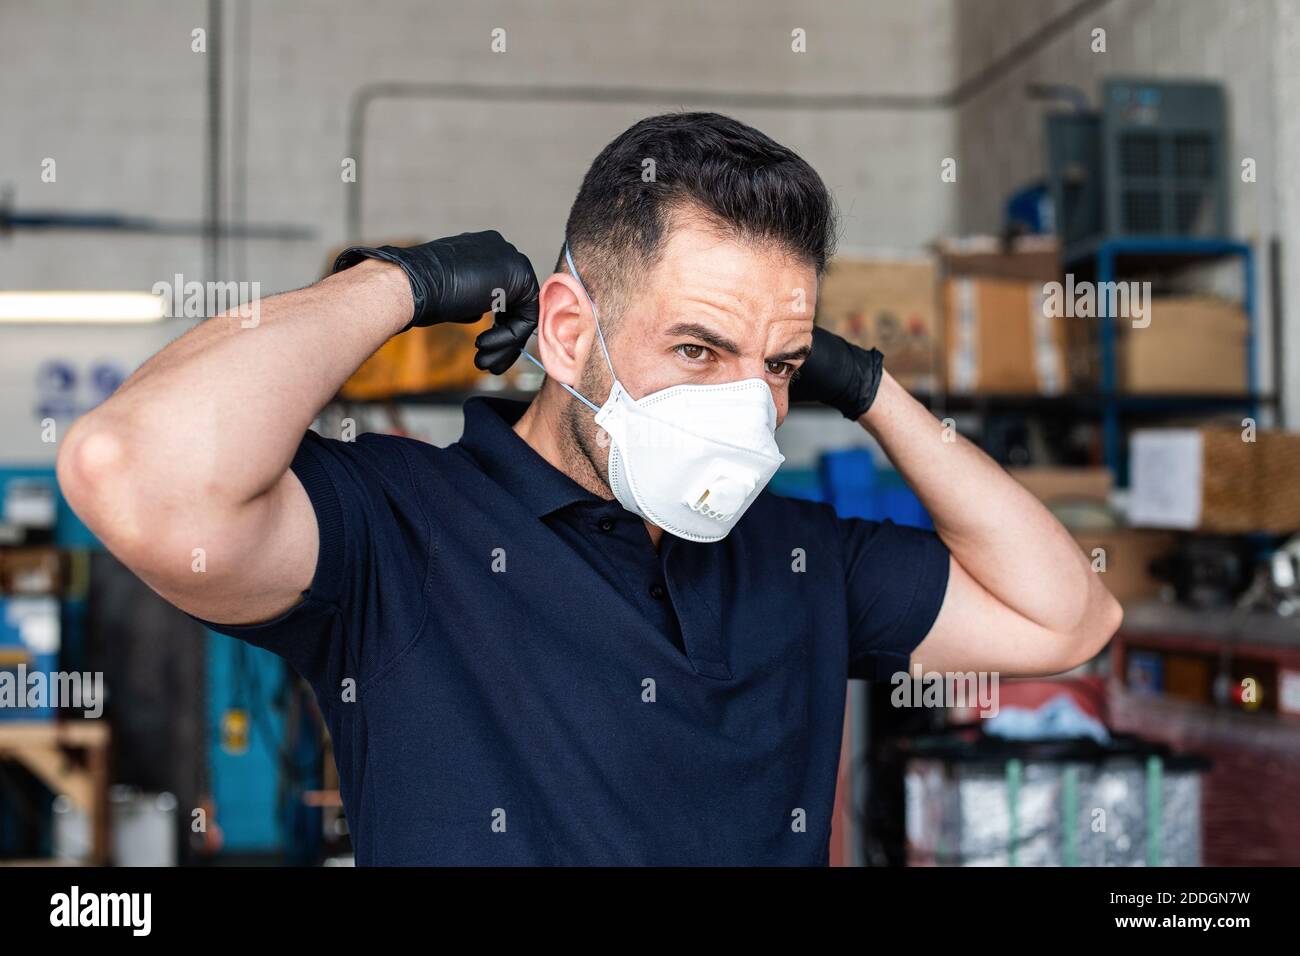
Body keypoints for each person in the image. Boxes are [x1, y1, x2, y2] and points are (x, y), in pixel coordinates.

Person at [58, 112, 1121, 865]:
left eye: (780, 366)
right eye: (698, 348)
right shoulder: (394, 533)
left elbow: (1067, 614)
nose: (747, 408)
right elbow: (131, 473)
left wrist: (871, 387)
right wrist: (402, 284)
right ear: (569, 331)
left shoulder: (801, 556)